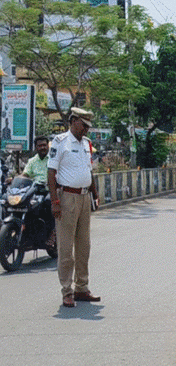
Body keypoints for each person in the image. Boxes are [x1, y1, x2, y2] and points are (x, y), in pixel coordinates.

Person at [47, 107, 100, 308]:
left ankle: (82, 288)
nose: (86, 130)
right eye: (83, 125)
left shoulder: (87, 144)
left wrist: (95, 194)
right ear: (73, 121)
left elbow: (89, 170)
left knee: (84, 246)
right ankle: (67, 291)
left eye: (88, 126)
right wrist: (55, 202)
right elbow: (51, 174)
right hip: (67, 197)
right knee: (66, 248)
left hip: (84, 197)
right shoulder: (60, 142)